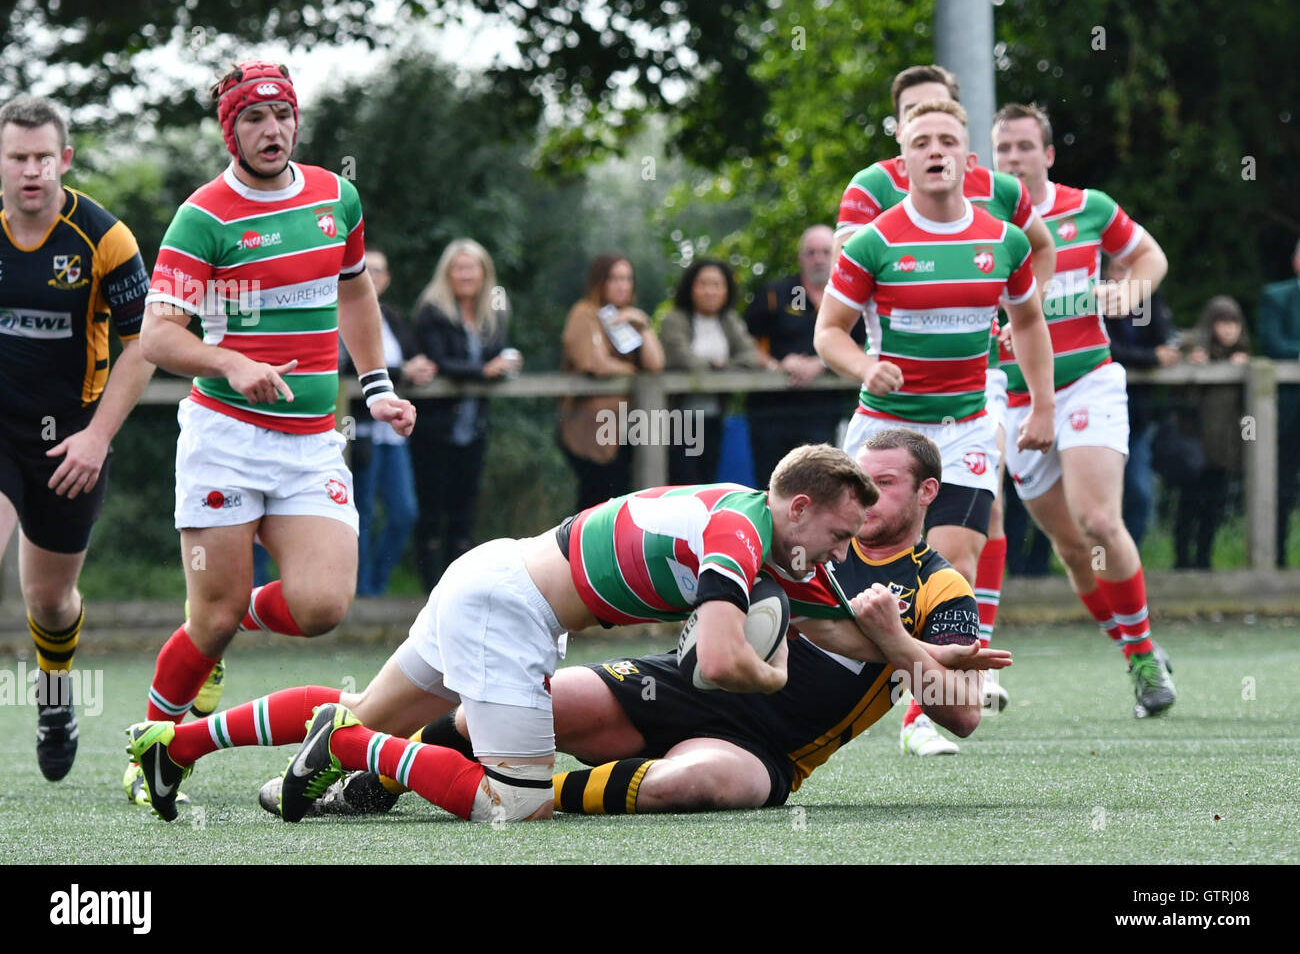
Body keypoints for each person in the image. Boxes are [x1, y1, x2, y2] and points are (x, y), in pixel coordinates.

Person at [264, 428, 1009, 818]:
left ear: (927, 493)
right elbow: (724, 656)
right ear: (814, 504)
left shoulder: (936, 585)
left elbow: (962, 714)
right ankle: (377, 771)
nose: (869, 509)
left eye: (885, 488)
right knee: (482, 720)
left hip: (766, 748)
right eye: (861, 491)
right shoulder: (792, 544)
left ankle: (492, 783)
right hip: (661, 678)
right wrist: (799, 658)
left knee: (704, 782)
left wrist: (897, 640)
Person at [124, 444, 877, 823]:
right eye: (842, 534)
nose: (843, 553)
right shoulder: (741, 535)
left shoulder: (768, 532)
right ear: (802, 506)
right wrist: (772, 673)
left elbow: (844, 624)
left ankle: (175, 747)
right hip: (508, 609)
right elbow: (717, 660)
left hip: (493, 577)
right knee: (514, 806)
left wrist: (925, 655)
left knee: (372, 712)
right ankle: (345, 748)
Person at [126, 61, 416, 803]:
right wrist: (229, 361)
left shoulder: (334, 197)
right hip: (223, 436)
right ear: (231, 131)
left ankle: (222, 626)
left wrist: (377, 385)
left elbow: (354, 290)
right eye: (253, 119)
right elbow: (158, 338)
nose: (272, 130)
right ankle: (150, 749)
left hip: (312, 439)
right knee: (212, 616)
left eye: (282, 115)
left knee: (321, 608)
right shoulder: (204, 216)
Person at [816, 99, 1057, 756]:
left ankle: (926, 712)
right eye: (922, 140)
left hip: (967, 427)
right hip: (885, 431)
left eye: (948, 139)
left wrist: (1042, 405)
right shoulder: (874, 241)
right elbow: (828, 331)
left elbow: (1030, 324)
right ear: (904, 157)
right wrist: (866, 366)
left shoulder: (1002, 240)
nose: (936, 151)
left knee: (954, 559)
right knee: (854, 562)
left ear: (966, 155)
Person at [992, 102, 1176, 718]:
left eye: (1024, 147)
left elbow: (1151, 258)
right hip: (1013, 398)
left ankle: (1146, 658)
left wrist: (1129, 289)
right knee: (1073, 549)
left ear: (1047, 154)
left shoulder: (1088, 207)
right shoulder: (980, 220)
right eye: (1003, 149)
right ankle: (1132, 650)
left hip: (1087, 382)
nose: (1013, 158)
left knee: (1098, 519)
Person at [0, 95, 154, 781]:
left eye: (41, 157)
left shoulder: (104, 238)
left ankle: (55, 696)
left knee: (50, 601)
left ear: (62, 159)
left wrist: (96, 437)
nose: (30, 170)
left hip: (70, 441)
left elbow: (146, 345)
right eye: (16, 157)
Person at [408, 238, 517, 589]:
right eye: (459, 267)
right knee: (432, 512)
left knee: (463, 513)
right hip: (435, 428)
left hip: (473, 427)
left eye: (472, 267)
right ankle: (428, 591)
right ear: (448, 272)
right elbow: (439, 362)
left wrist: (508, 362)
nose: (466, 274)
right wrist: (483, 370)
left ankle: (459, 591)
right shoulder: (432, 309)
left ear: (484, 272)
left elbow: (499, 354)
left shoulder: (493, 312)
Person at [345, 248, 435, 596]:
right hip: (358, 429)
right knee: (362, 512)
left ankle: (376, 587)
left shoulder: (392, 317)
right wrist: (401, 372)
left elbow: (411, 356)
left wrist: (423, 367)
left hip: (393, 433)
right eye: (367, 269)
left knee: (404, 512)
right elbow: (345, 368)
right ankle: (360, 590)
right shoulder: (339, 315)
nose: (373, 277)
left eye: (380, 271)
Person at [744, 225, 863, 481]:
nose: (818, 259)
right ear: (800, 258)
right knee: (770, 485)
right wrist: (777, 365)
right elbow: (745, 342)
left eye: (824, 252)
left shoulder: (850, 297)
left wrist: (823, 363)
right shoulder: (775, 293)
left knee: (819, 484)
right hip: (770, 412)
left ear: (837, 255)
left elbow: (865, 346)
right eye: (810, 252)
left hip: (823, 411)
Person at [558, 253, 665, 510]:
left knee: (620, 502)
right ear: (600, 282)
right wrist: (631, 370)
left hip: (625, 428)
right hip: (588, 429)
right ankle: (580, 550)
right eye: (615, 278)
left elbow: (655, 364)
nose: (623, 285)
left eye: (627, 279)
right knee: (594, 503)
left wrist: (643, 325)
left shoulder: (629, 317)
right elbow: (593, 362)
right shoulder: (584, 313)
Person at [658, 258, 765, 484]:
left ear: (726, 289)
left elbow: (750, 357)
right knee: (683, 484)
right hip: (679, 421)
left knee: (709, 481)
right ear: (691, 288)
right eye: (703, 284)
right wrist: (719, 367)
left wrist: (719, 367)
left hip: (715, 417)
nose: (710, 291)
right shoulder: (674, 320)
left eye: (716, 284)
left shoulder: (729, 321)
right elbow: (683, 359)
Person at [1101, 257, 1180, 546]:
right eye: (1118, 269)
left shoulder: (1148, 298)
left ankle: (1129, 557)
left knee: (1139, 492)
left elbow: (1165, 341)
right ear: (1108, 272)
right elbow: (1106, 348)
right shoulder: (1094, 299)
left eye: (1129, 270)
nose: (1124, 276)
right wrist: (1150, 357)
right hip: (1099, 416)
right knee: (1097, 499)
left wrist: (1157, 354)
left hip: (1137, 416)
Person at [1177, 296, 1251, 568]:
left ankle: (1204, 560)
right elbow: (1180, 403)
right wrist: (1192, 371)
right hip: (1194, 446)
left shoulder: (1244, 358)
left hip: (1225, 447)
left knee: (1213, 509)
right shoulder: (1194, 352)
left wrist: (1246, 374)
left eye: (1234, 323)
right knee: (1188, 506)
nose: (1230, 330)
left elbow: (1249, 411)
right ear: (1212, 325)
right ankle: (1182, 561)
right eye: (1223, 323)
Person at [1257, 240, 1300, 566]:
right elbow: (1274, 343)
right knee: (1281, 486)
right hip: (1287, 411)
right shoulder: (1276, 296)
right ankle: (1277, 561)